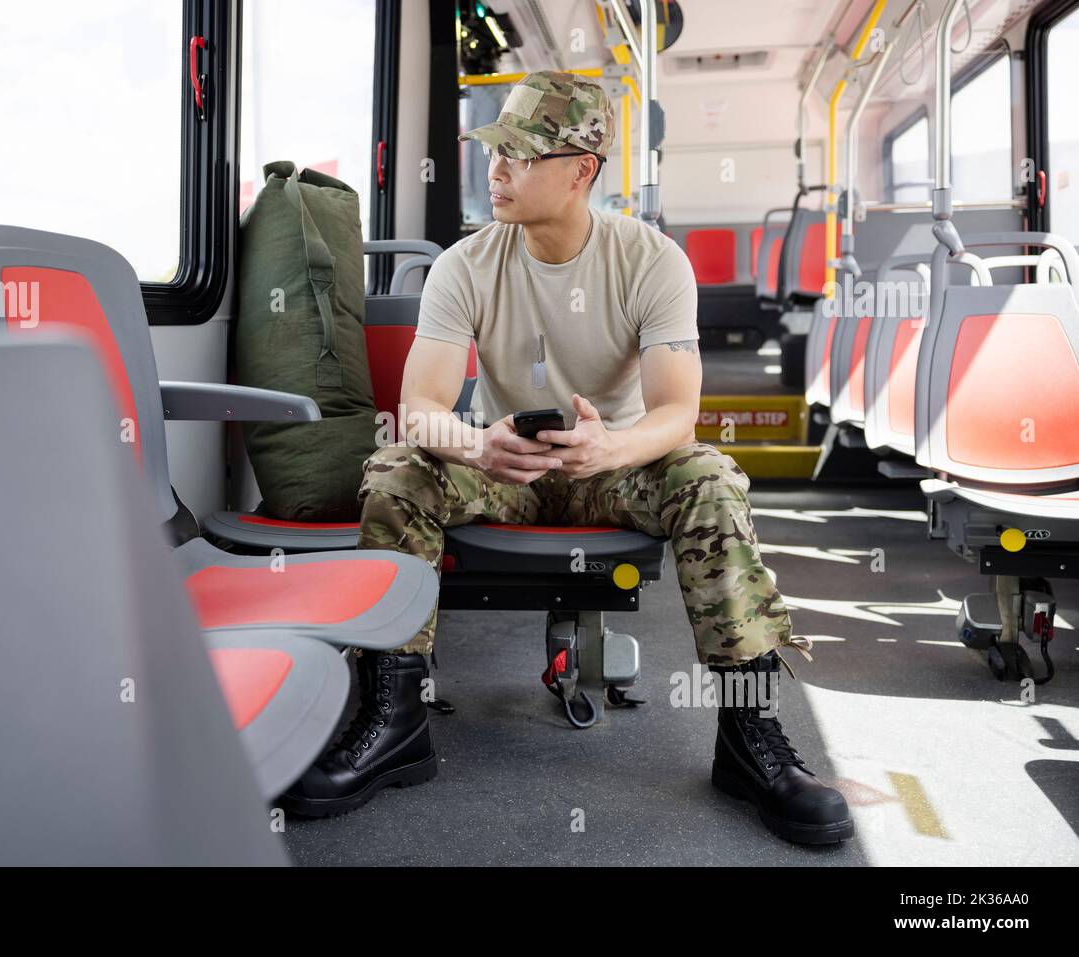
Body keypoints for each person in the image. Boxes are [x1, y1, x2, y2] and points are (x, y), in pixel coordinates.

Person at [279, 71, 853, 845]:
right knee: (398, 469)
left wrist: (611, 445)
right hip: (504, 470)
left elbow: (676, 413)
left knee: (711, 478)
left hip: (612, 470)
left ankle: (749, 736)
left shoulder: (650, 261)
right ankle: (394, 715)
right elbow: (419, 410)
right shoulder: (465, 265)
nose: (497, 169)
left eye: (519, 154)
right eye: (495, 151)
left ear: (582, 170)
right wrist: (479, 443)